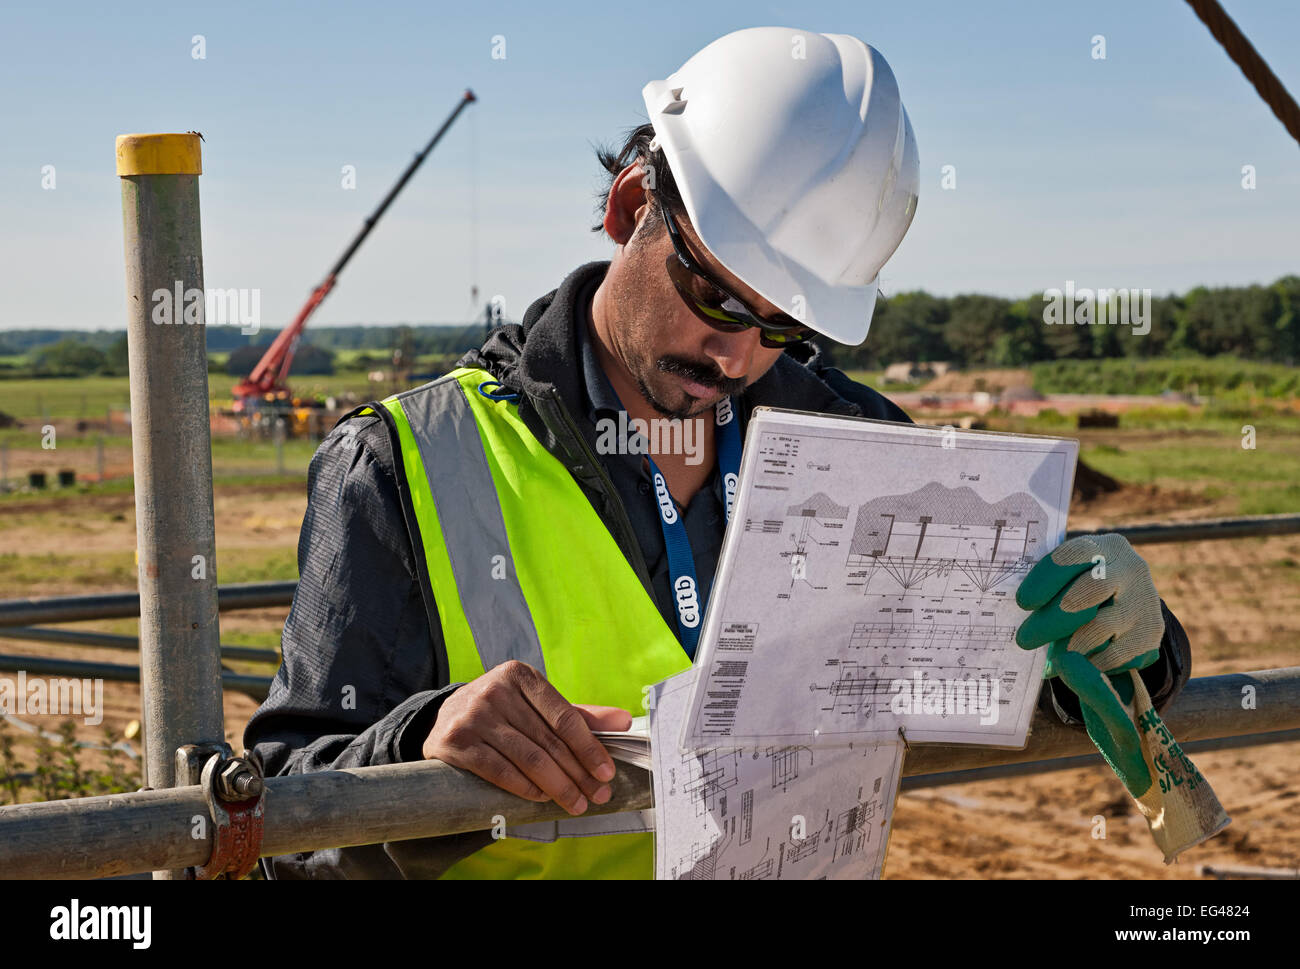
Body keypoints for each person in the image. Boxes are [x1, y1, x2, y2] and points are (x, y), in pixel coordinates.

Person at [244, 27, 1191, 879]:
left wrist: (1130, 645)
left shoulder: (864, 450)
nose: (738, 356)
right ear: (628, 209)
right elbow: (288, 809)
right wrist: (418, 741)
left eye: (784, 329)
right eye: (722, 301)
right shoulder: (404, 463)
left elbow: (1015, 680)